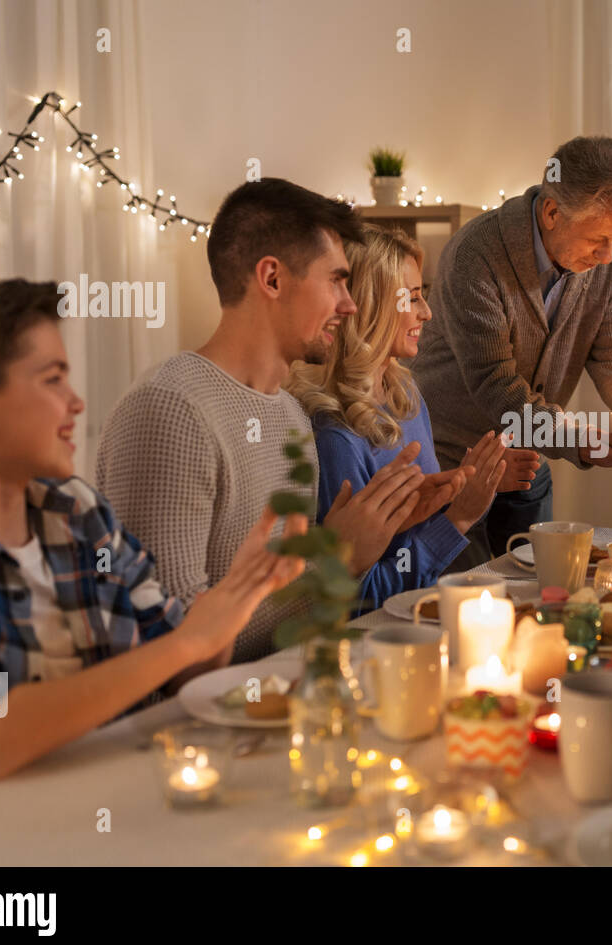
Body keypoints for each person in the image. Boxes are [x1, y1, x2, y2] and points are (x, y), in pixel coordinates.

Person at [0, 277, 305, 805]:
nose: (76, 403)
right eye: (52, 380)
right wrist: (187, 642)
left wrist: (234, 598)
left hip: (118, 810)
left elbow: (184, 668)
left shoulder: (78, 513)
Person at [97, 179, 462, 661]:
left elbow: (291, 603)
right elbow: (170, 648)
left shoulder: (289, 413)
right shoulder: (172, 409)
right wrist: (339, 560)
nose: (349, 305)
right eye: (335, 280)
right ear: (272, 279)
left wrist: (378, 537)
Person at [411, 136, 612, 564]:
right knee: (468, 597)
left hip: (527, 465)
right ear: (551, 212)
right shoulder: (477, 254)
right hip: (453, 465)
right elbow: (497, 387)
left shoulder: (606, 268)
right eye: (598, 239)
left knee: (540, 588)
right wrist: (579, 442)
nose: (607, 256)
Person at [288, 226, 508, 606]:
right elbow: (361, 598)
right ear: (369, 304)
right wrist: (456, 519)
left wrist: (466, 488)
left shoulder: (405, 394)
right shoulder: (336, 435)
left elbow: (414, 539)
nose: (427, 312)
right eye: (414, 298)